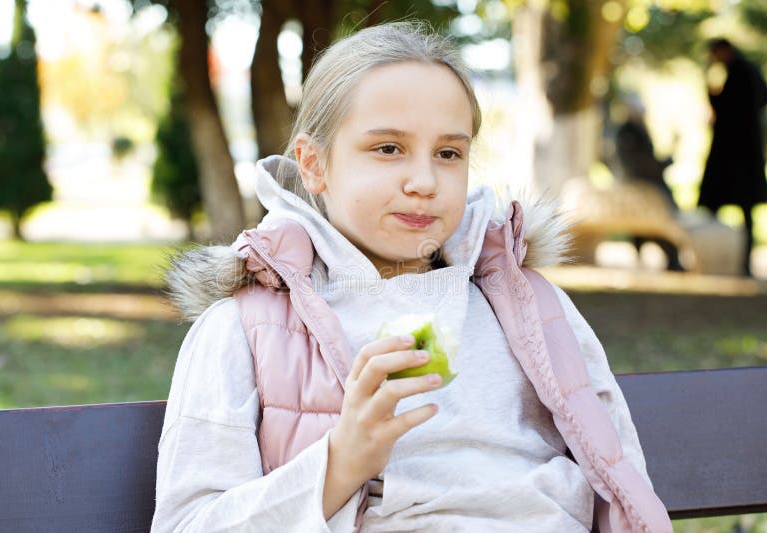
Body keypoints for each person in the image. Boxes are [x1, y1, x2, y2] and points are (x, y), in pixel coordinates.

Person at [151, 22, 669, 532]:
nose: (423, 182)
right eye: (388, 149)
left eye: (448, 153)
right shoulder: (243, 330)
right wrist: (341, 462)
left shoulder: (533, 309)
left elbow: (621, 482)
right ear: (313, 164)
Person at [698, 38, 767, 277]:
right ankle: (723, 260)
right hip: (740, 154)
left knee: (741, 210)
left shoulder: (742, 73)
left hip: (736, 155)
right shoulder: (746, 72)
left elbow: (729, 107)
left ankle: (740, 263)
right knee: (735, 210)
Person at [614, 95, 684, 271]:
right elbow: (643, 166)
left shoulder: (630, 132)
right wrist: (667, 161)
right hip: (645, 191)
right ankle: (672, 260)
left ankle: (668, 258)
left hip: (641, 190)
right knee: (662, 219)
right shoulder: (630, 133)